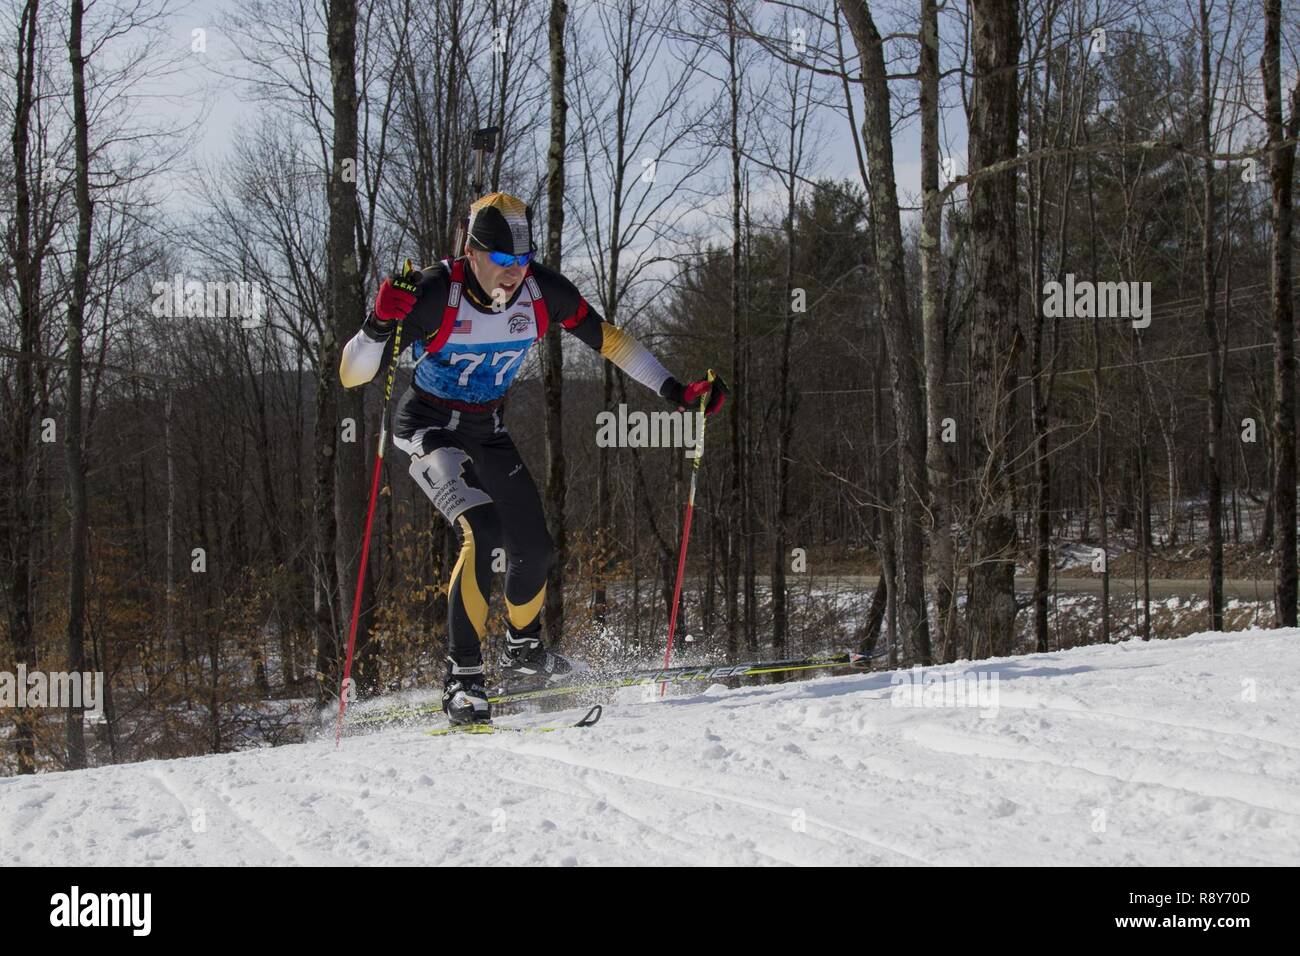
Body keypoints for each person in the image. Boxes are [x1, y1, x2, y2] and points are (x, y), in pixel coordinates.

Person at [339, 192, 727, 724]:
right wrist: (378, 326)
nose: (513, 275)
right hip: (427, 426)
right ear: (470, 251)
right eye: (501, 261)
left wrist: (675, 391)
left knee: (536, 546)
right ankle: (463, 678)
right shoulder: (435, 293)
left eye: (521, 262)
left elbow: (608, 340)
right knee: (483, 530)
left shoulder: (542, 291)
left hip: (487, 428)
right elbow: (352, 374)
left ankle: (524, 653)